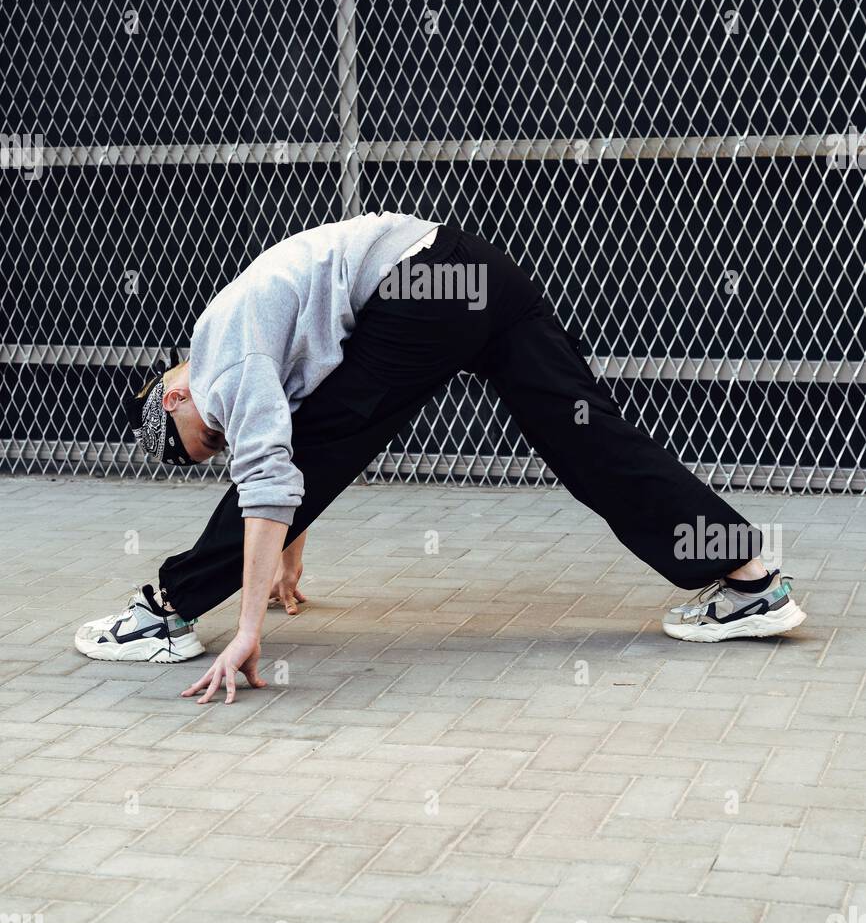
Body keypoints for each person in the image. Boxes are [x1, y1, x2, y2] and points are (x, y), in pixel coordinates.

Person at [75, 212, 806, 702]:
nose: (222, 440)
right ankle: (750, 578)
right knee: (592, 441)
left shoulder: (221, 361)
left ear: (174, 399)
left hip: (424, 286)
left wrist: (246, 632)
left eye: (209, 438)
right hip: (475, 272)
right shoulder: (237, 348)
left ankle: (166, 613)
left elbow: (279, 466)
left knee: (314, 447)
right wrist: (288, 556)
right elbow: (297, 446)